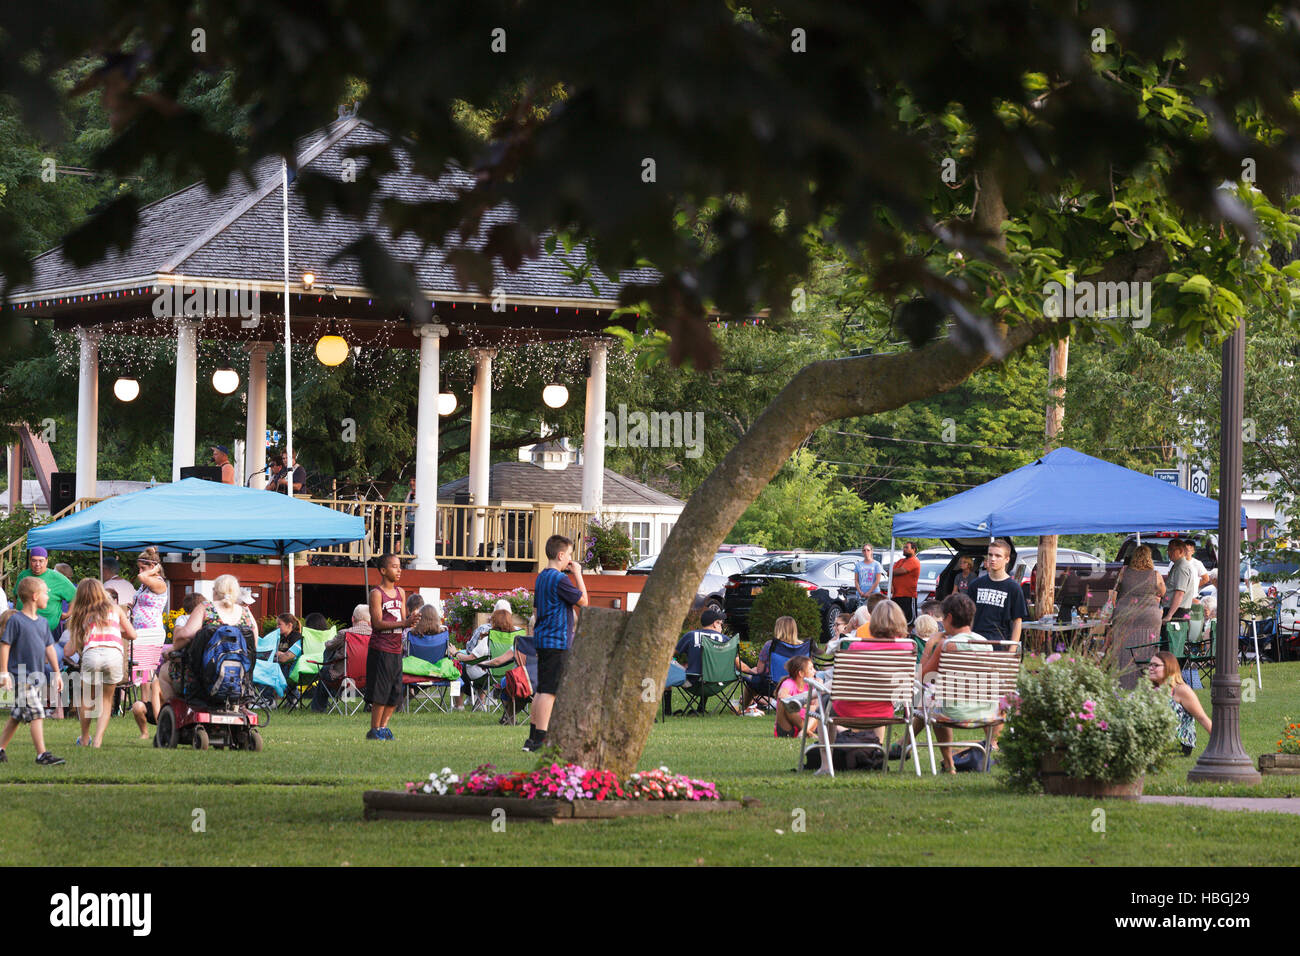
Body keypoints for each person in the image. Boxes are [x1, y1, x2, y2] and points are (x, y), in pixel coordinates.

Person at [524, 534, 589, 752]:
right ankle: (540, 739)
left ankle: (532, 737)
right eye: (569, 555)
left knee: (542, 689)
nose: (570, 559)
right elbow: (584, 601)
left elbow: (536, 610)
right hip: (557, 640)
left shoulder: (541, 577)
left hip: (542, 638)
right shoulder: (560, 579)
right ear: (561, 555)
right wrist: (578, 574)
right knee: (549, 692)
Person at [918, 594, 995, 772]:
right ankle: (903, 745)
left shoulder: (948, 646)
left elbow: (922, 678)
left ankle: (949, 763)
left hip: (954, 711)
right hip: (985, 710)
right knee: (934, 699)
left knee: (929, 700)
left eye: (943, 618)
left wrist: (930, 644)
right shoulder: (986, 644)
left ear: (949, 618)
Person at [65, 577, 138, 748]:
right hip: (113, 655)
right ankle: (97, 741)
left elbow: (68, 651)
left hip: (92, 655)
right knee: (106, 700)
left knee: (87, 700)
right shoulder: (115, 610)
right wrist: (115, 632)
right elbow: (133, 634)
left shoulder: (81, 614)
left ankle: (84, 738)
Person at [0, 576, 65, 765]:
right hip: (20, 676)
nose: (48, 596)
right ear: (35, 596)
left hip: (35, 677)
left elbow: (49, 648)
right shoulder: (16, 621)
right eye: (46, 593)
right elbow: (5, 646)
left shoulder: (43, 623)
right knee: (37, 712)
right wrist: (4, 673)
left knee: (17, 715)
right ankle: (42, 755)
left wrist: (57, 672)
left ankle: (1, 748)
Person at [366, 554, 419, 740]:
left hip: (396, 649)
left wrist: (412, 621)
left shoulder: (401, 593)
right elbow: (377, 623)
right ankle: (374, 730)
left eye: (400, 566)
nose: (399, 570)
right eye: (394, 567)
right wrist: (405, 623)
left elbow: (403, 620)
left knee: (395, 692)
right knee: (380, 692)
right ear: (383, 570)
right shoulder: (376, 593)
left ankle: (383, 728)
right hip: (381, 648)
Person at [1108, 544, 1165, 690]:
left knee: (1123, 648)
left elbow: (1116, 588)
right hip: (1149, 616)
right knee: (1147, 647)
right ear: (1149, 558)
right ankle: (1146, 681)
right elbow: (1162, 591)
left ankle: (1122, 681)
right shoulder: (1155, 574)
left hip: (1125, 613)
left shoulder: (1124, 571)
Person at [1147, 650, 1211, 755]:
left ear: (1169, 668)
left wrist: (1222, 745)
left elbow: (1202, 718)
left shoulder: (1181, 690)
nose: (1151, 668)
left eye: (1156, 665)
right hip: (1154, 740)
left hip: (1178, 743)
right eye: (1150, 665)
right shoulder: (1150, 690)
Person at [737, 616, 805, 715]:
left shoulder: (770, 645)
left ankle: (746, 707)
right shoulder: (802, 647)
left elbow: (760, 670)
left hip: (773, 686)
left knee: (753, 677)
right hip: (796, 685)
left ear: (778, 629)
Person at [311, 605, 371, 713]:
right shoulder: (375, 635)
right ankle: (369, 705)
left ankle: (318, 709)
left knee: (324, 672)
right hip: (368, 678)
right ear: (370, 621)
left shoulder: (345, 633)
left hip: (342, 677)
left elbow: (329, 646)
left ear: (353, 619)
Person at [970, 539, 1027, 648]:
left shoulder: (1014, 588)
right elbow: (969, 617)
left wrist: (1012, 651)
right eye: (990, 555)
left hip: (1000, 646)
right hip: (976, 643)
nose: (993, 559)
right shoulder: (975, 584)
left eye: (998, 556)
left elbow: (1017, 622)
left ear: (1007, 559)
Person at [673, 608, 733, 705]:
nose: (721, 627)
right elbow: (738, 663)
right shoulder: (725, 639)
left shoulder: (690, 635)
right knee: (709, 670)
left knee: (666, 666)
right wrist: (751, 672)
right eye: (720, 624)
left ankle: (667, 710)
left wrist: (677, 663)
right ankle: (701, 707)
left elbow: (669, 655)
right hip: (717, 684)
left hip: (691, 683)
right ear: (715, 624)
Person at [14, 547, 77, 637]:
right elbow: (16, 595)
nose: (37, 564)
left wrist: (68, 614)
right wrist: (16, 610)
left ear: (46, 561)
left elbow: (75, 596)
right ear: (30, 561)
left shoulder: (57, 578)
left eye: (41, 561)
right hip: (22, 628)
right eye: (34, 560)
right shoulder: (23, 575)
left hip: (48, 631)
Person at [775, 655, 820, 738]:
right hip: (787, 728)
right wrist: (802, 705)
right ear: (801, 673)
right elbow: (782, 695)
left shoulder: (811, 686)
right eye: (811, 669)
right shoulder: (789, 683)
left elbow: (817, 707)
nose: (815, 671)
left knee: (820, 708)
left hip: (807, 724)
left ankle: (803, 732)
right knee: (787, 704)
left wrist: (819, 688)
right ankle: (807, 733)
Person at [130, 547, 170, 636]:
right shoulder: (144, 584)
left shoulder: (159, 582)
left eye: (143, 568)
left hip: (151, 631)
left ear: (152, 566)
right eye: (139, 568)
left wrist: (155, 570)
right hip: (137, 631)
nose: (140, 571)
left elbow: (141, 577)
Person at [1162, 539, 1197, 629]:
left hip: (1177, 612)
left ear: (1181, 551)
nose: (1169, 553)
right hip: (1175, 610)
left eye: (1171, 550)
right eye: (1168, 550)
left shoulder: (1182, 567)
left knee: (1173, 641)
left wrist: (1169, 615)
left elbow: (1179, 593)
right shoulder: (1177, 565)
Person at [891, 541, 921, 623]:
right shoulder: (900, 561)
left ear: (913, 549)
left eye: (906, 548)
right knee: (896, 621)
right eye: (904, 547)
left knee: (908, 622)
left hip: (908, 596)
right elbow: (890, 573)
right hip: (896, 595)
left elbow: (901, 571)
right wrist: (891, 585)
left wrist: (891, 571)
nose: (904, 549)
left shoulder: (914, 561)